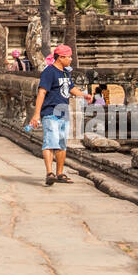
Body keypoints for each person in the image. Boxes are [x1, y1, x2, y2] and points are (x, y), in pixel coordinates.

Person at [27, 44, 94, 185]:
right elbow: (42, 92)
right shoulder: (49, 72)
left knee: (62, 144)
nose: (70, 59)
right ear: (61, 57)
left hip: (63, 112)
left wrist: (83, 95)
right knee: (50, 142)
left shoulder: (65, 72)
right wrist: (36, 114)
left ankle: (60, 173)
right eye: (69, 57)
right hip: (50, 112)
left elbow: (71, 88)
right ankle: (49, 172)